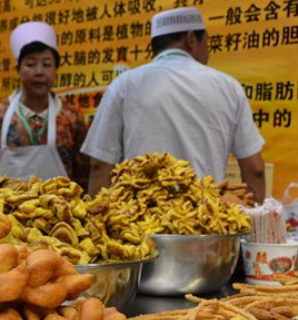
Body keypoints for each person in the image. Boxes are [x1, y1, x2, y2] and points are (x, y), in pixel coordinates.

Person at [80, 7, 266, 204]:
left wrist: (97, 225)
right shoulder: (228, 87)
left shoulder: (124, 85)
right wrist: (254, 225)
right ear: (191, 39)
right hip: (208, 223)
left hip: (139, 224)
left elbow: (100, 164)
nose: (209, 54)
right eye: (208, 44)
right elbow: (255, 170)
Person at [0, 21, 90, 190]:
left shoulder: (71, 117)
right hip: (1, 212)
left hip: (60, 212)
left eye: (46, 64)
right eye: (30, 64)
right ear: (18, 69)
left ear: (55, 70)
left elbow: (84, 175)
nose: (39, 72)